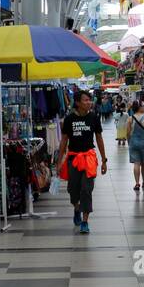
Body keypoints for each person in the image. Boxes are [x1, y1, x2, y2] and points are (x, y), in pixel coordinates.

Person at [57, 90, 107, 234]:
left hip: (89, 159)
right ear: (77, 103)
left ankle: (85, 222)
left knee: (86, 189)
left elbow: (99, 138)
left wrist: (104, 160)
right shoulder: (69, 119)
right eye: (85, 100)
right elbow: (64, 141)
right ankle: (77, 209)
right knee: (73, 190)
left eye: (89, 100)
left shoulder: (93, 117)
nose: (89, 102)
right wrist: (59, 162)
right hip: (73, 158)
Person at [128, 100, 144, 191]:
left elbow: (128, 133)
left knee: (136, 163)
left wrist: (129, 142)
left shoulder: (130, 118)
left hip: (133, 143)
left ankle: (137, 183)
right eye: (143, 105)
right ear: (139, 107)